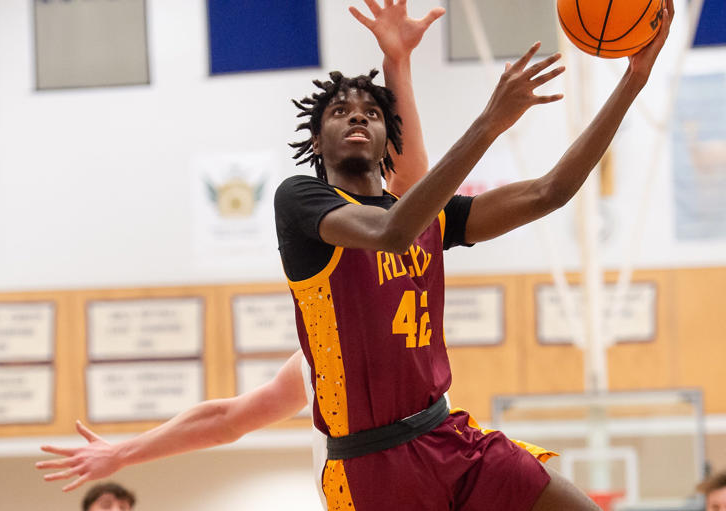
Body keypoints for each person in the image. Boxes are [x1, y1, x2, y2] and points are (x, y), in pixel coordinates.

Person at [272, 0, 673, 509]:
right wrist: (488, 123)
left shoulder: (432, 218)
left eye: (372, 113)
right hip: (371, 465)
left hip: (448, 437)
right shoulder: (301, 200)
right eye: (340, 111)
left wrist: (634, 79)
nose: (357, 116)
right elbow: (392, 231)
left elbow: (549, 192)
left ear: (387, 137)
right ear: (316, 139)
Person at [36, 0, 442, 494]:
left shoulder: (399, 302)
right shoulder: (322, 354)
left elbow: (410, 193)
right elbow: (227, 419)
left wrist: (398, 63)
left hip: (429, 466)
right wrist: (122, 452)